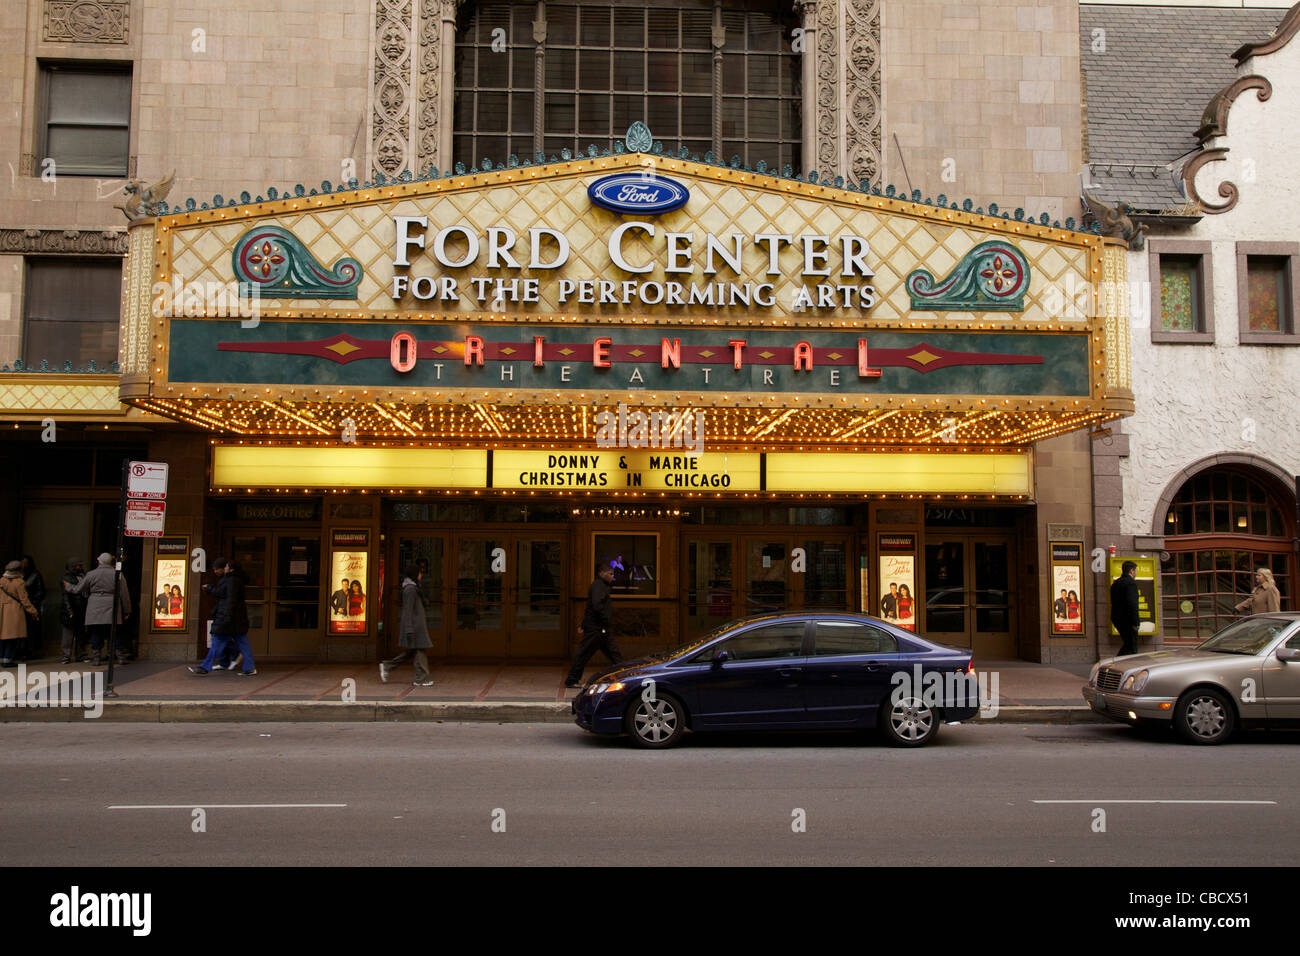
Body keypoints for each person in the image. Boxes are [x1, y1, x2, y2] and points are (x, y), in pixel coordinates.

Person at [189, 557, 256, 676]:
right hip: (237, 617)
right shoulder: (235, 580)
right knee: (242, 642)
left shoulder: (231, 581)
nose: (224, 568)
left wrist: (226, 616)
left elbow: (229, 599)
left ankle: (205, 666)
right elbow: (226, 596)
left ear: (231, 569)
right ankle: (249, 667)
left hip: (229, 617)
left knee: (217, 640)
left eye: (226, 567)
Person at [565, 561, 622, 687]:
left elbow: (589, 608)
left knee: (614, 654)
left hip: (601, 628)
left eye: (613, 574)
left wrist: (584, 624)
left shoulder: (601, 586)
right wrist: (604, 620)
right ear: (601, 573)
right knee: (584, 653)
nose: (612, 576)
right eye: (610, 574)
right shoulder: (598, 586)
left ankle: (624, 677)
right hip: (597, 628)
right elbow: (596, 606)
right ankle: (572, 680)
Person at [72, 553, 131, 666]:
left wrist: (69, 586)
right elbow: (124, 593)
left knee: (96, 631)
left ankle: (96, 658)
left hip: (95, 605)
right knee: (116, 632)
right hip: (113, 603)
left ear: (99, 562)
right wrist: (127, 609)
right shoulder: (118, 574)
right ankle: (120, 657)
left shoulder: (91, 574)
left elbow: (78, 589)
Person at [379, 563, 434, 686]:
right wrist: (409, 629)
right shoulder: (410, 589)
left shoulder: (414, 588)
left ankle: (387, 667)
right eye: (419, 572)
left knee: (413, 652)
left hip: (416, 625)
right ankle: (421, 678)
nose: (421, 575)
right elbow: (408, 610)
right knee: (419, 651)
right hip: (414, 626)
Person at [1, 560, 40, 666]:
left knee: (3, 637)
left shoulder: (2, 580)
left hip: (3, 611)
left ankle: (2, 658)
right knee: (12, 637)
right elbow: (24, 600)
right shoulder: (19, 582)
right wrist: (34, 611)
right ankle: (8, 660)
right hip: (14, 611)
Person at [1109, 559, 1140, 656]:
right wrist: (1136, 622)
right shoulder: (1131, 583)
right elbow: (1132, 604)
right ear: (1131, 571)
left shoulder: (1116, 583)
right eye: (1136, 571)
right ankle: (1118, 664)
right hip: (1128, 620)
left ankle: (1119, 663)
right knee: (1131, 646)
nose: (1136, 573)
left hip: (1117, 619)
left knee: (1128, 644)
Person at [60, 557, 87, 664]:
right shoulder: (66, 579)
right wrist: (69, 610)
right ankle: (66, 656)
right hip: (72, 608)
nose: (80, 567)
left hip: (81, 608)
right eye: (78, 566)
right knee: (68, 634)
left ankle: (81, 654)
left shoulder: (83, 576)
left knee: (81, 633)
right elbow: (65, 596)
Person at [20, 555, 44, 661]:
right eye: (22, 562)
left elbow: (41, 591)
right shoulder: (18, 576)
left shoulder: (35, 575)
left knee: (31, 630)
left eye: (26, 563)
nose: (24, 565)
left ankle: (30, 651)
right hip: (20, 607)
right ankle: (20, 651)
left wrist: (32, 604)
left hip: (31, 606)